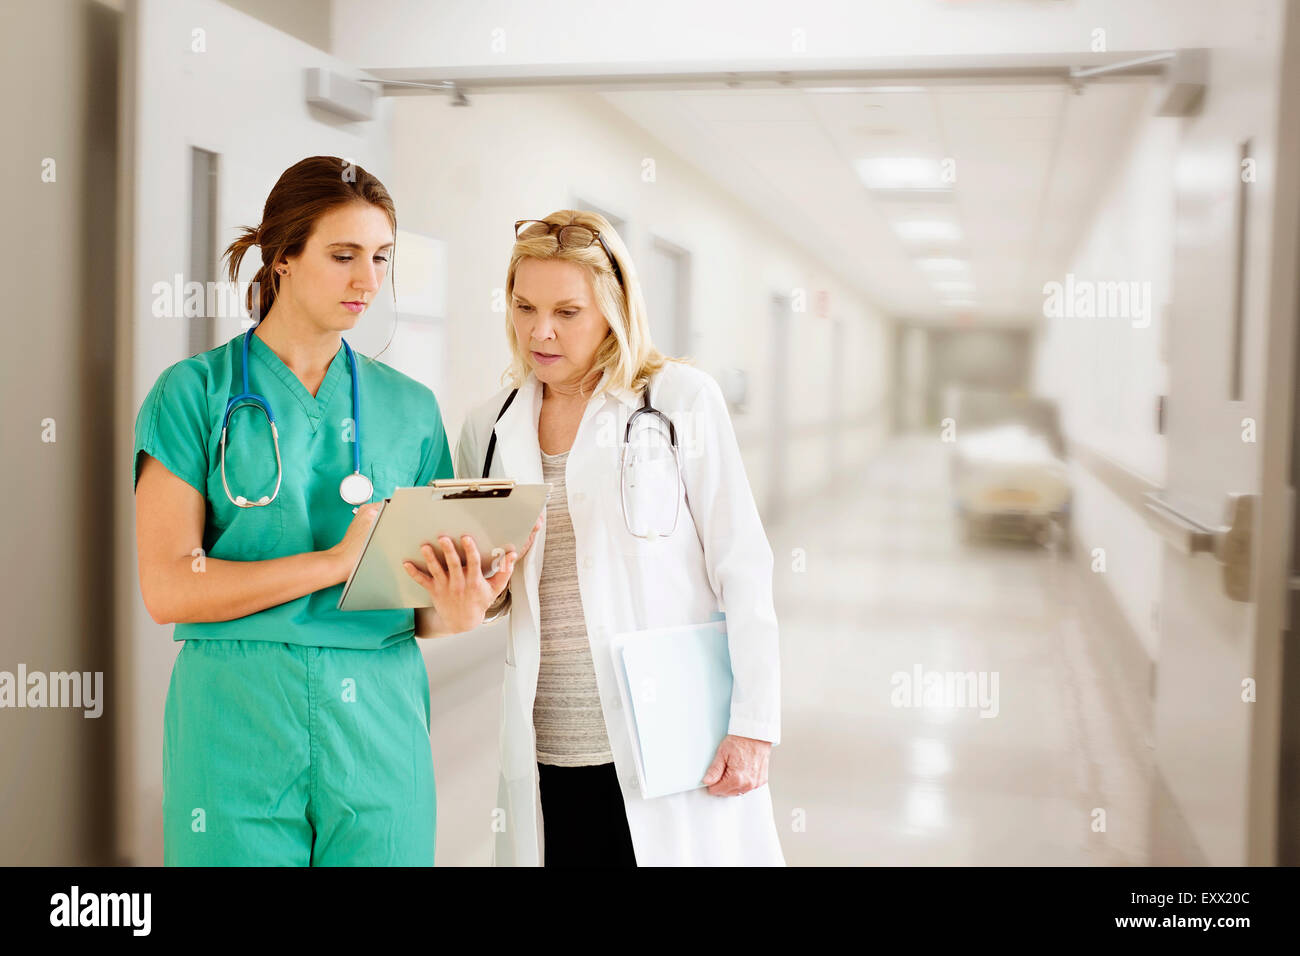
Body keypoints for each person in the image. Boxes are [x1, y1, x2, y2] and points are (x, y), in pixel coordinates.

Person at [133, 156, 522, 866]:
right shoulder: (191, 394)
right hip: (237, 716)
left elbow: (416, 603)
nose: (367, 282)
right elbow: (169, 587)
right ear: (282, 258)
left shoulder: (409, 408)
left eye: (380, 258)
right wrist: (334, 563)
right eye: (343, 256)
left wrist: (462, 608)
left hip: (377, 719)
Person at [454, 211, 785, 866]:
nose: (539, 331)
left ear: (613, 307)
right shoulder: (489, 425)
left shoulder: (678, 399)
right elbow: (491, 591)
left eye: (567, 311)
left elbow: (742, 564)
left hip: (671, 732)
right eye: (524, 306)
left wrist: (754, 725)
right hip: (549, 738)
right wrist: (479, 581)